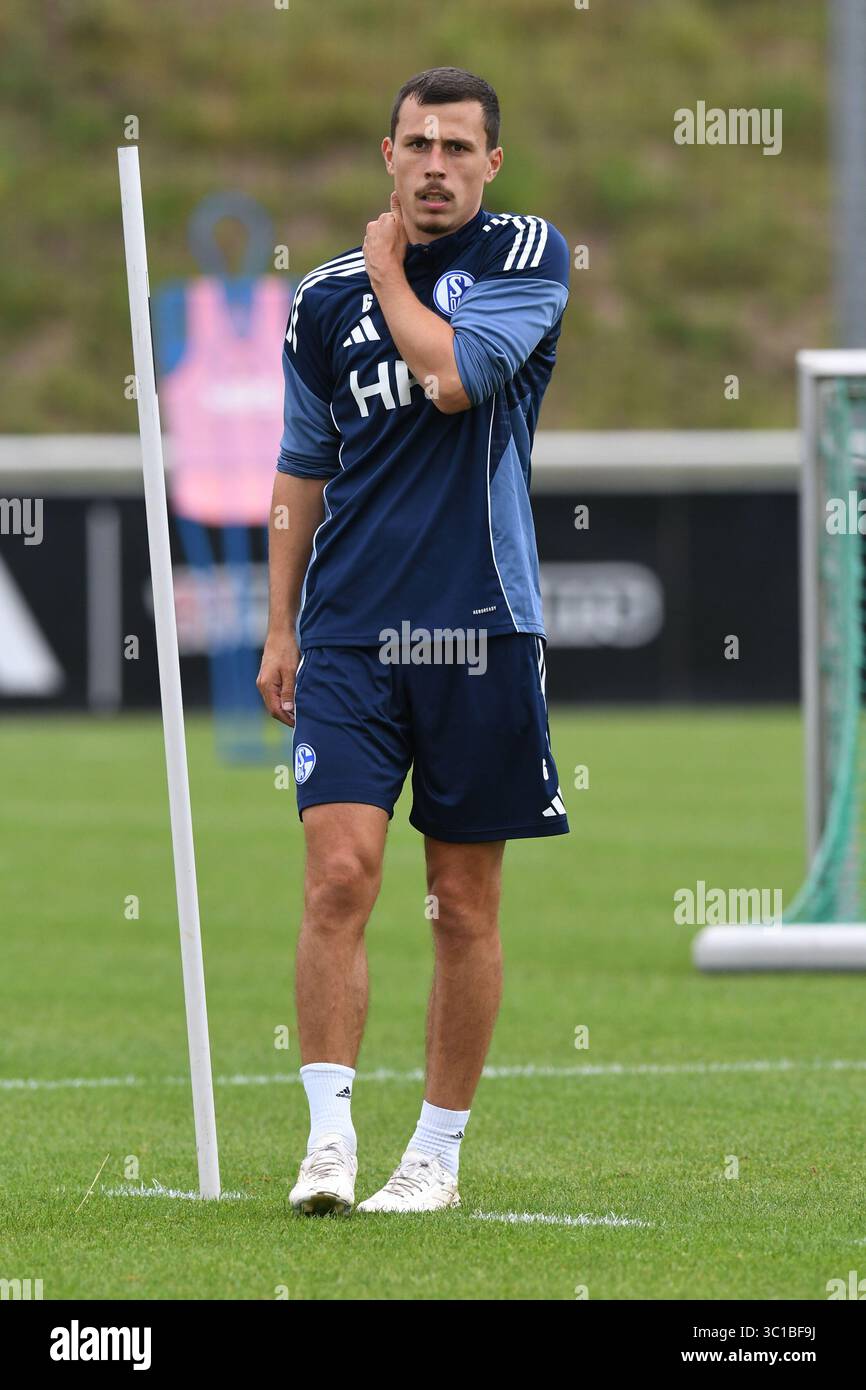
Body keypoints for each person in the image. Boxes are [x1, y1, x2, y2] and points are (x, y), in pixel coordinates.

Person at [257, 65, 570, 1215]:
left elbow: (450, 380)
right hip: (347, 632)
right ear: (386, 154)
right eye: (416, 144)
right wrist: (278, 619)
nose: (434, 164)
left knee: (460, 901)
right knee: (337, 873)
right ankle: (328, 1139)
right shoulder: (319, 302)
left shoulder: (525, 257)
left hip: (478, 626)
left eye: (457, 147)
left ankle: (432, 1155)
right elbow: (299, 468)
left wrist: (391, 270)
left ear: (491, 165)